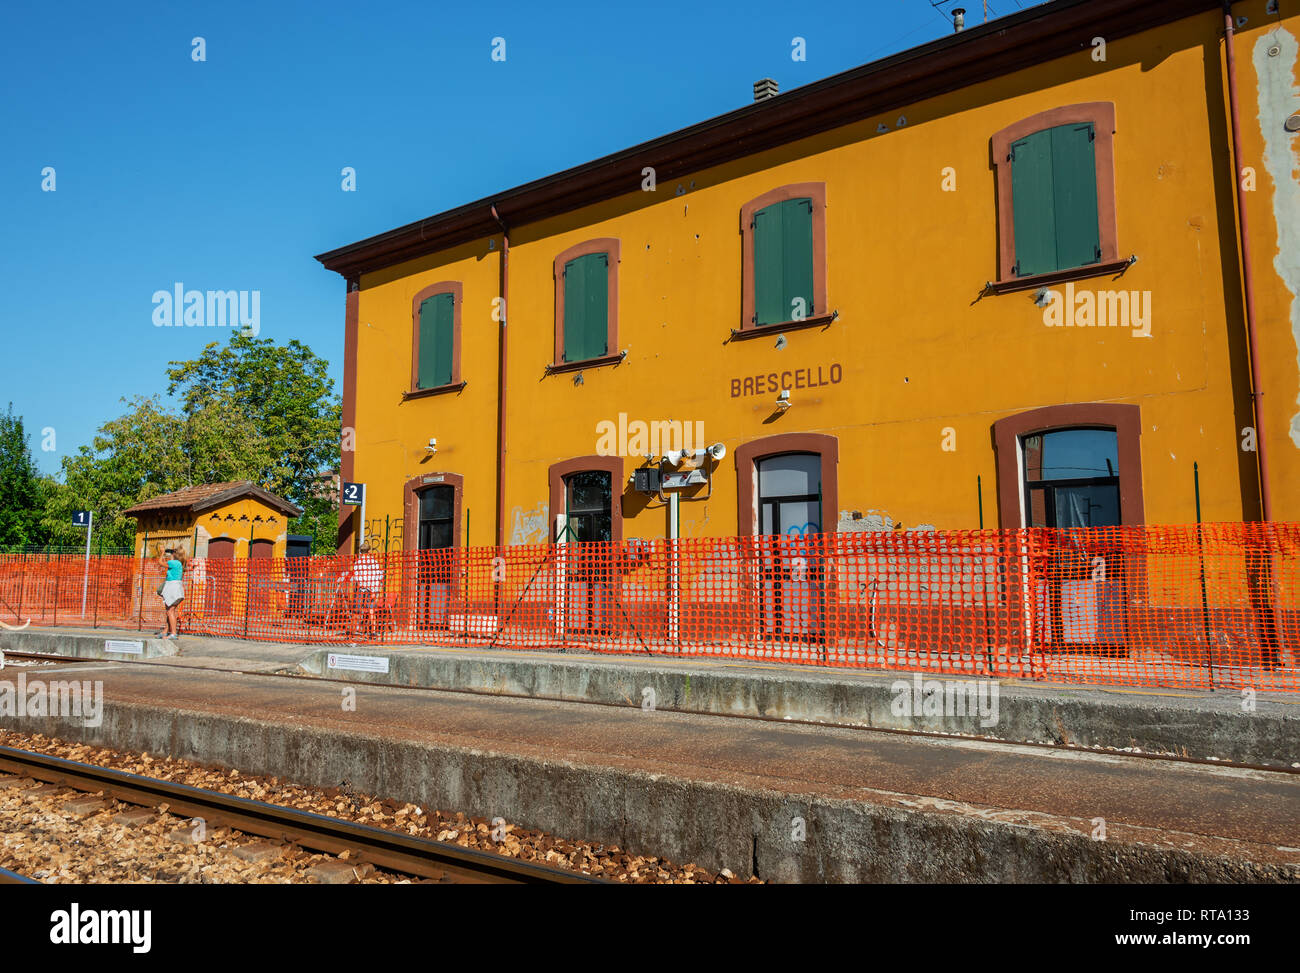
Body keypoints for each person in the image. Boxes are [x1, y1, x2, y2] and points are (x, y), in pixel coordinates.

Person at [337, 543, 383, 638]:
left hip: (361, 589)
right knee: (371, 610)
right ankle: (373, 632)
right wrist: (375, 590)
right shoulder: (374, 562)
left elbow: (357, 577)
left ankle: (353, 631)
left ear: (360, 552)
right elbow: (379, 576)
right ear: (369, 551)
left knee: (356, 611)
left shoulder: (358, 563)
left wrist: (362, 584)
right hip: (372, 589)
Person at [157, 544, 189, 639]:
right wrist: (171, 555)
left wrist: (162, 553)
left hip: (172, 588)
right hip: (177, 589)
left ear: (175, 554)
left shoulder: (174, 563)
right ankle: (166, 631)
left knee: (170, 611)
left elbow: (161, 563)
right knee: (170, 611)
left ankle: (173, 633)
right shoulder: (179, 563)